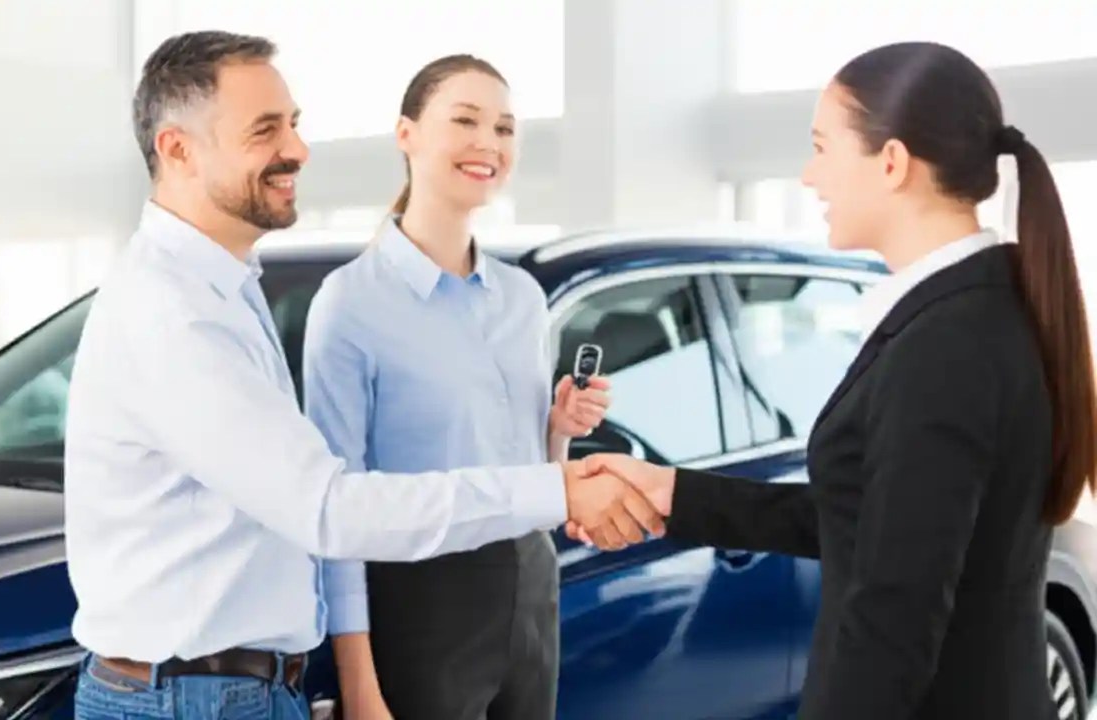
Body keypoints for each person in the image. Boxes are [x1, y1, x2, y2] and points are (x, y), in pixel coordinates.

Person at [63, 31, 668, 720]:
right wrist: (557, 489)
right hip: (203, 696)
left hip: (239, 689)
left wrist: (553, 450)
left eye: (293, 124)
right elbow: (328, 507)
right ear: (177, 149)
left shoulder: (226, 289)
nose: (297, 149)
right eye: (266, 129)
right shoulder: (179, 316)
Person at [582, 41, 1097, 720]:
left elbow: (892, 622)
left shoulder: (945, 345)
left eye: (822, 147)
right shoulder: (982, 312)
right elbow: (875, 523)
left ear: (891, 164)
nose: (808, 176)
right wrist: (674, 491)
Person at [302, 55, 609, 720]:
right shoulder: (350, 304)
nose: (489, 144)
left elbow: (534, 482)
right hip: (420, 604)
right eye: (465, 120)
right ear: (406, 134)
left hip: (530, 585)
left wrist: (557, 431)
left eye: (504, 128)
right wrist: (360, 682)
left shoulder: (522, 300)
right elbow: (336, 511)